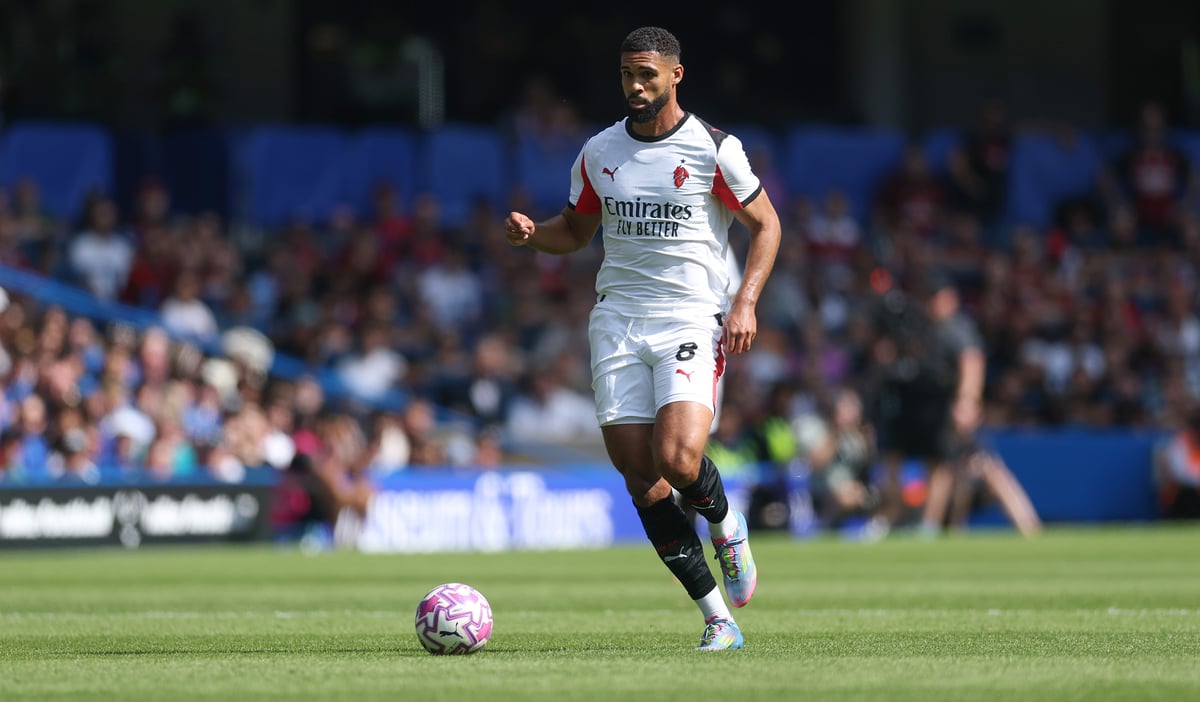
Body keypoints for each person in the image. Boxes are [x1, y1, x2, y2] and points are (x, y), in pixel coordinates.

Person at [503, 26, 781, 651]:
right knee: (638, 473)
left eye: (647, 75)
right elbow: (574, 233)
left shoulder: (713, 149)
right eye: (627, 74)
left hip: (689, 316)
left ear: (675, 75)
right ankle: (717, 618)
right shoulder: (599, 151)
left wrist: (746, 302)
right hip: (618, 320)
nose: (635, 86)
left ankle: (725, 519)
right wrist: (531, 235)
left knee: (678, 459)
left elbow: (766, 225)